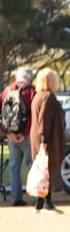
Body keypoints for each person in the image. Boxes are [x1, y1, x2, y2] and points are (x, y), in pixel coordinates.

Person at [28, 68, 65, 214]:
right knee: (47, 170)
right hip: (47, 138)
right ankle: (47, 204)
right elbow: (44, 119)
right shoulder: (49, 97)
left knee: (41, 170)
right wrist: (44, 139)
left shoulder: (37, 96)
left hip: (37, 137)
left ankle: (39, 203)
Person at [1, 67, 36, 206]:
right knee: (32, 166)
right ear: (29, 78)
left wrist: (7, 133)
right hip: (26, 136)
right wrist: (25, 133)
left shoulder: (6, 91)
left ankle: (16, 198)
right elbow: (34, 115)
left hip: (11, 135)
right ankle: (35, 197)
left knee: (14, 167)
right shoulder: (31, 90)